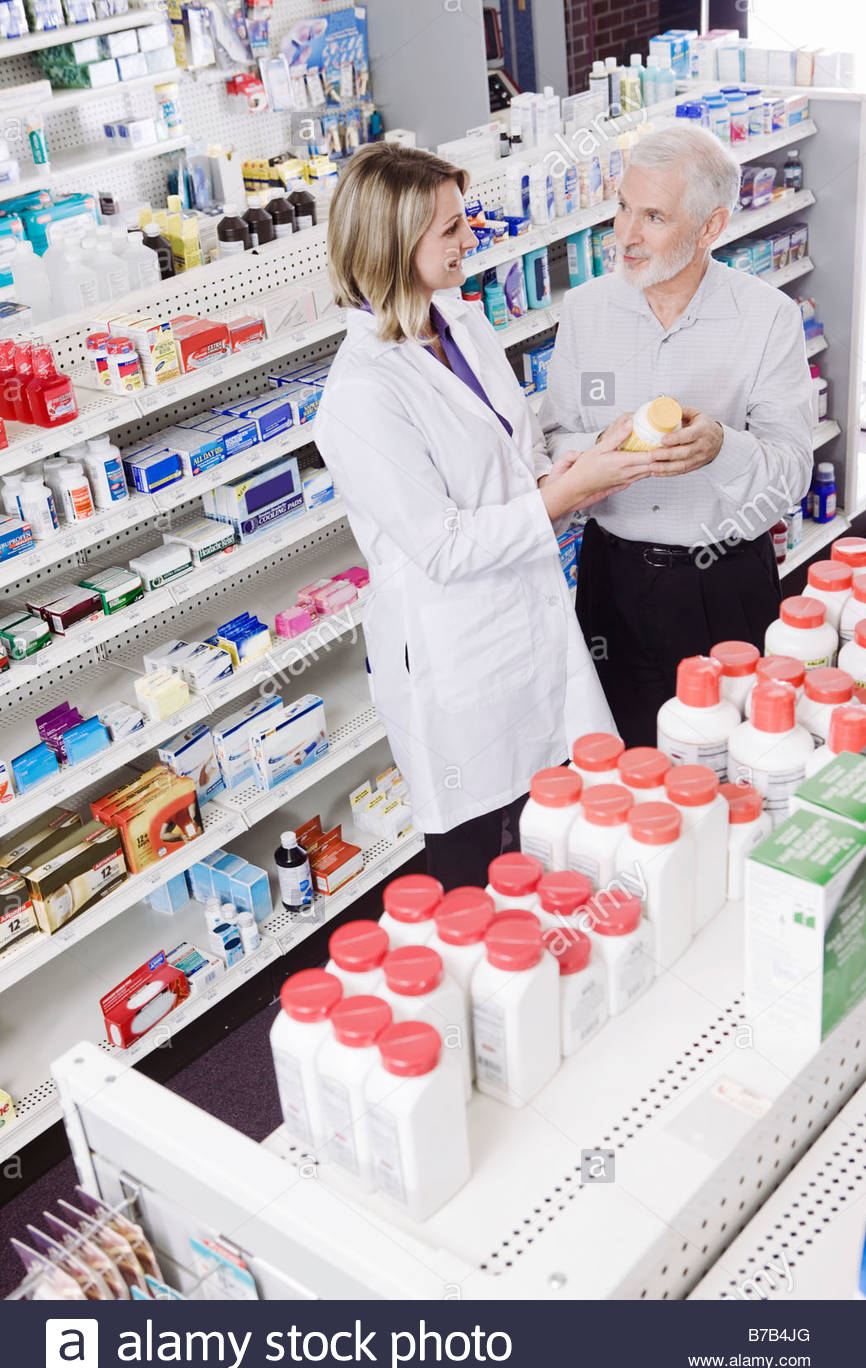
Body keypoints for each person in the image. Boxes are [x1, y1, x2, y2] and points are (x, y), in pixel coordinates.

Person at [314, 143, 651, 889]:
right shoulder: (361, 394)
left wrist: (578, 466)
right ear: (398, 245)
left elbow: (514, 458)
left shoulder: (458, 324)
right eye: (451, 228)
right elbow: (444, 547)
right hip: (455, 655)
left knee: (565, 832)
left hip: (531, 619)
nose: (470, 238)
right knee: (482, 868)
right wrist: (563, 495)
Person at [540, 126, 813, 747]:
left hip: (721, 585)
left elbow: (793, 472)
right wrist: (587, 458)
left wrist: (722, 448)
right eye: (623, 208)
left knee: (734, 763)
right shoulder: (587, 311)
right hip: (612, 582)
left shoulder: (767, 318)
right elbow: (555, 435)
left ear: (710, 227)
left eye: (654, 217)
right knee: (620, 766)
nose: (626, 235)